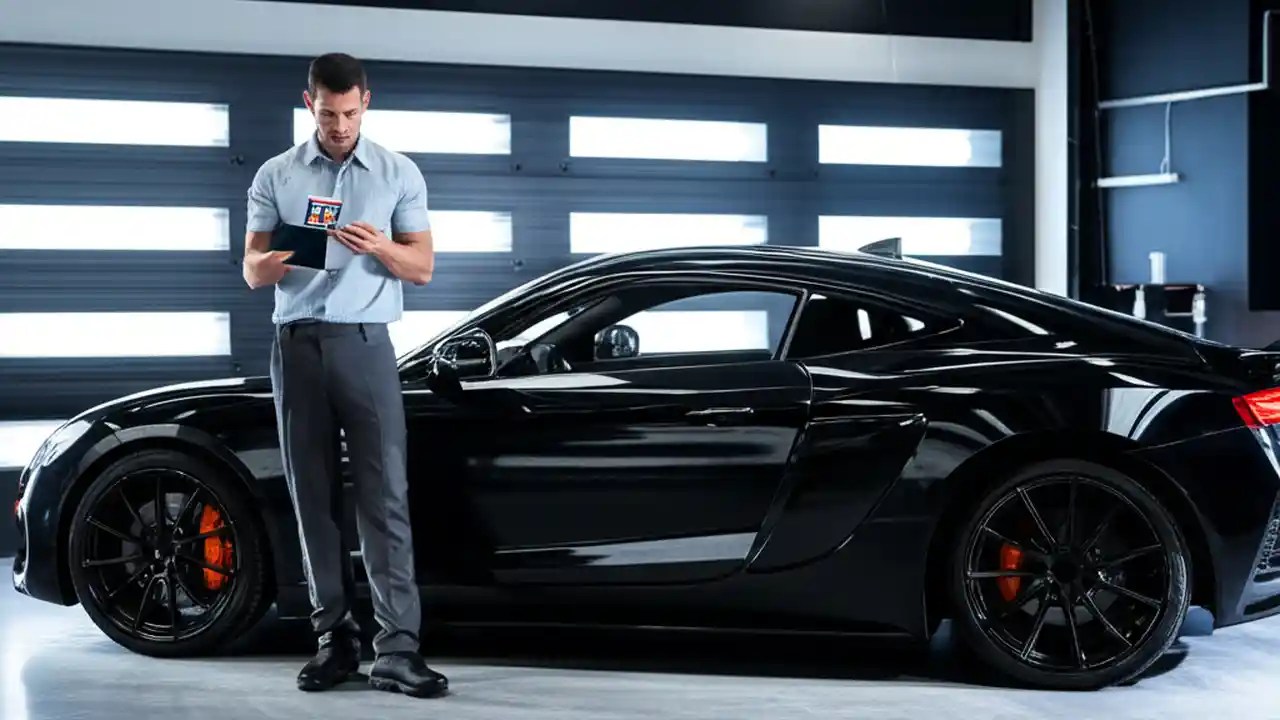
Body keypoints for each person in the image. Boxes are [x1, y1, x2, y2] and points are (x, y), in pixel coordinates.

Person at [241, 51, 448, 699]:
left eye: (350, 113)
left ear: (366, 102)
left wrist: (377, 245)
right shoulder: (276, 175)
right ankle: (334, 641)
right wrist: (302, 246)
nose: (339, 125)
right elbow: (252, 270)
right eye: (328, 114)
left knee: (385, 499)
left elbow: (421, 268)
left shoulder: (398, 173)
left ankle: (399, 651)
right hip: (297, 346)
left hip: (367, 344)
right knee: (314, 499)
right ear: (310, 104)